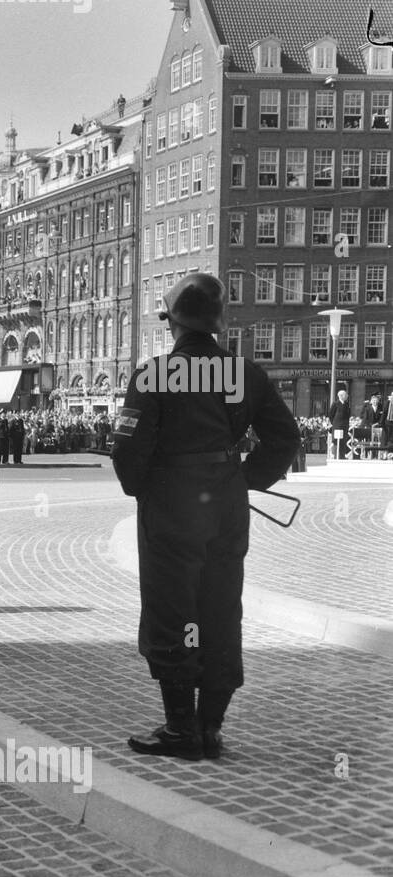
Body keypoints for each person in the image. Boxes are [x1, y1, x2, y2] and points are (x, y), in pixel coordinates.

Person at [112, 273, 299, 760]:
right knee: (219, 609)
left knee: (173, 609)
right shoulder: (243, 373)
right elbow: (285, 439)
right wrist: (243, 479)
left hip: (172, 507)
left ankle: (180, 729)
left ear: (173, 323)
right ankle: (210, 727)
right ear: (216, 323)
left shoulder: (153, 374)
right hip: (226, 507)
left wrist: (146, 490)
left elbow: (128, 454)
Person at [328, 388, 351, 459]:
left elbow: (348, 415)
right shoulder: (335, 404)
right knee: (336, 441)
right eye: (345, 395)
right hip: (337, 426)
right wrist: (334, 423)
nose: (347, 396)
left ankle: (342, 456)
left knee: (343, 441)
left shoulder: (347, 404)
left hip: (345, 426)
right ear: (341, 396)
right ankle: (335, 455)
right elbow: (331, 415)